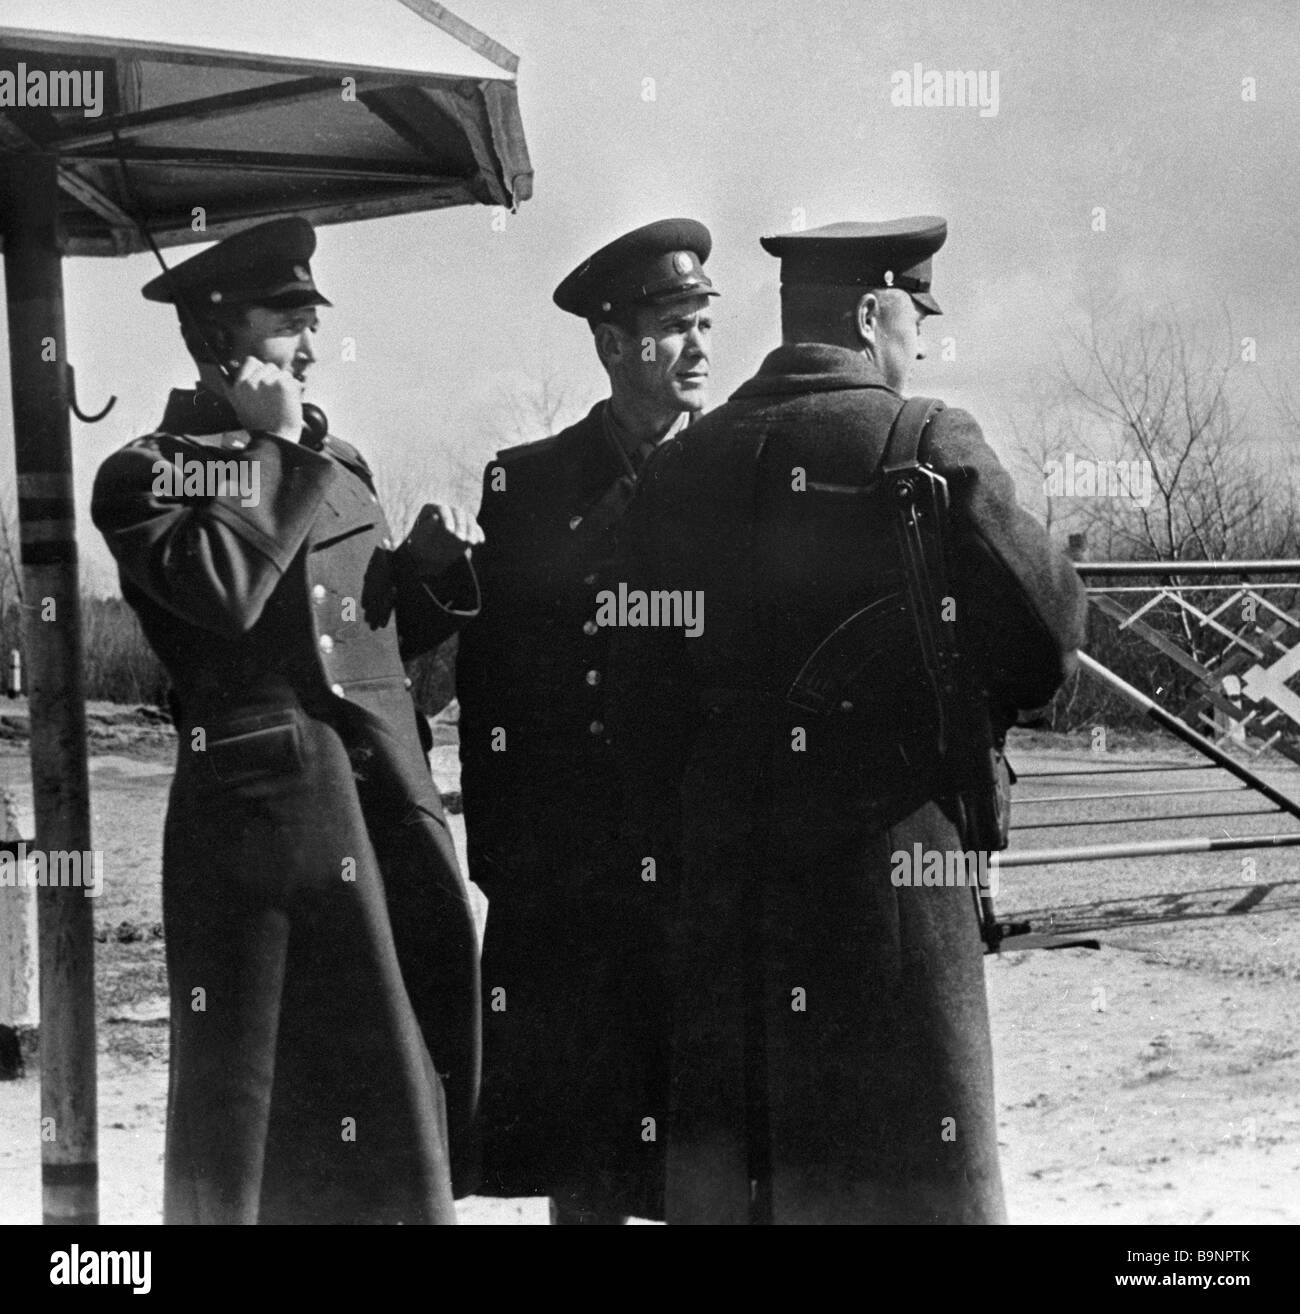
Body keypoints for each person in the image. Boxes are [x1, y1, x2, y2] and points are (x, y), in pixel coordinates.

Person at [608, 216, 1088, 1225]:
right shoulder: (924, 439)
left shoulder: (673, 471)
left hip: (725, 876)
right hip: (891, 862)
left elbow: (639, 700)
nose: (918, 343)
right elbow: (1048, 637)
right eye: (916, 316)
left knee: (752, 1177)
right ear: (872, 315)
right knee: (909, 1165)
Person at [90, 216, 483, 1224]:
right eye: (287, 324)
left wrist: (431, 584)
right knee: (253, 1104)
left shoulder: (336, 460)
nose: (310, 347)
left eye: (313, 322)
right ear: (223, 341)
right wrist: (269, 446)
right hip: (257, 836)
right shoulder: (145, 471)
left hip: (380, 816)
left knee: (393, 1090)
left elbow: (373, 653)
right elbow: (222, 592)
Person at [449, 218, 719, 1223]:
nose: (697, 348)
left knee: (707, 1141)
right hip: (570, 880)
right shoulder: (529, 484)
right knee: (582, 1147)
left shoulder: (742, 474)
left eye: (704, 323)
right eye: (673, 327)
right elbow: (493, 689)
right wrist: (504, 859)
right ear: (611, 345)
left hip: (701, 870)